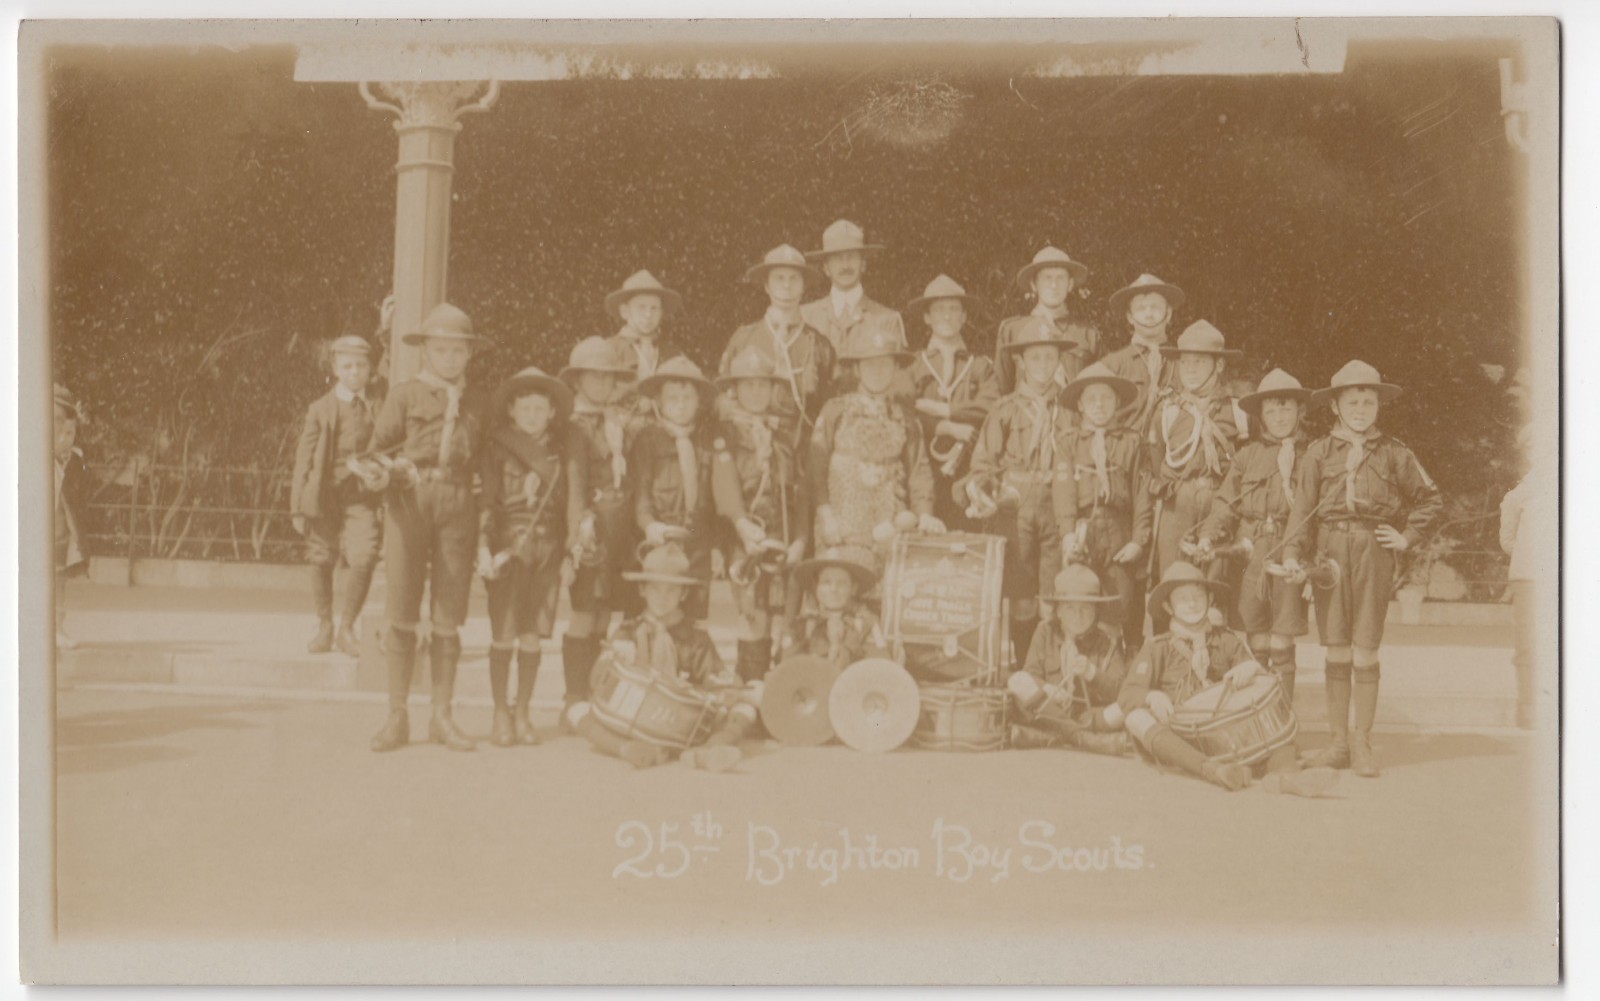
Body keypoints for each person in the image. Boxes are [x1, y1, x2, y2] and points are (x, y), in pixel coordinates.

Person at [1282, 361, 1443, 777]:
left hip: (1373, 550)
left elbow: (1430, 499)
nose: (1360, 409)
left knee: (1366, 645)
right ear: (1335, 405)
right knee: (1337, 645)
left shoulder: (1394, 452)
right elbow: (1302, 511)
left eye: (1368, 402)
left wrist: (1406, 536)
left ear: (1379, 406)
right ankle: (1337, 742)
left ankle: (1362, 742)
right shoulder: (1318, 453)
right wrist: (1292, 555)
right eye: (1352, 402)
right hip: (1330, 552)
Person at [358, 303, 492, 753]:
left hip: (457, 504)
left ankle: (442, 716)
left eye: (458, 351)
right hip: (409, 503)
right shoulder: (405, 395)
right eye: (441, 350)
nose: (450, 359)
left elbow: (486, 460)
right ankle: (396, 716)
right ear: (425, 352)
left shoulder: (478, 402)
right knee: (401, 610)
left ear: (469, 354)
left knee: (448, 614)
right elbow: (375, 450)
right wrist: (386, 471)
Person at [1106, 563, 1338, 796]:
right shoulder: (1157, 648)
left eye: (1198, 597)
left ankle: (1286, 777)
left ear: (1209, 599)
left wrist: (1251, 668)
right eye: (1182, 599)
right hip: (1182, 738)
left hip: (1227, 736)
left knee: (1274, 728)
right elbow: (1127, 695)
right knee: (1135, 717)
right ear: (1168, 606)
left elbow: (1258, 682)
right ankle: (1211, 770)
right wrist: (1151, 696)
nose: (1192, 604)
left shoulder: (1226, 640)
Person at [569, 544, 758, 771]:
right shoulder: (628, 631)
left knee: (745, 710)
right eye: (655, 589)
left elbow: (716, 680)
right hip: (634, 721)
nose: (662, 598)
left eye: (671, 591)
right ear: (643, 590)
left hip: (681, 724)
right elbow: (596, 682)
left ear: (683, 594)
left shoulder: (695, 636)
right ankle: (627, 749)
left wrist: (722, 686)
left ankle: (706, 750)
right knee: (577, 709)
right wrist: (613, 660)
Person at [958, 317, 1077, 668]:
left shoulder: (1071, 410)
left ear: (1059, 360)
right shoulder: (1005, 409)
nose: (1043, 365)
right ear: (1021, 361)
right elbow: (983, 463)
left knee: (1052, 596)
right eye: (1035, 357)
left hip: (1057, 505)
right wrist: (982, 490)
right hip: (1016, 507)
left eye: (1050, 357)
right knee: (1022, 596)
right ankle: (1020, 669)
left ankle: (1048, 670)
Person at [1193, 368, 1314, 705]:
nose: (1279, 417)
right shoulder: (1247, 455)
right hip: (1251, 554)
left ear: (1300, 411)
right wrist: (1207, 537)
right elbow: (1225, 503)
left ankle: (1284, 711)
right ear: (1260, 414)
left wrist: (1307, 557)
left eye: (1286, 409)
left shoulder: (1312, 455)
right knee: (1257, 637)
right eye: (1271, 411)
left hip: (1291, 549)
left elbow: (1315, 513)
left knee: (1282, 640)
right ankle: (1260, 711)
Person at [477, 366, 574, 748]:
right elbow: (487, 502)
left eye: (540, 409)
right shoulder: (497, 448)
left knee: (532, 636)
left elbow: (568, 507)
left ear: (552, 413)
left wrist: (568, 554)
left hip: (547, 550)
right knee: (504, 634)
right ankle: (500, 713)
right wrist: (483, 546)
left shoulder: (561, 453)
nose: (532, 416)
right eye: (525, 409)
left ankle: (522, 713)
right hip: (509, 545)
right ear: (512, 411)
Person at [713, 347, 811, 682]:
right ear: (735, 389)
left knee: (785, 617)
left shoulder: (785, 435)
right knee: (752, 613)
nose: (756, 392)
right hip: (745, 538)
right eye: (748, 385)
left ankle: (778, 690)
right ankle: (751, 685)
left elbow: (800, 492)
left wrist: (800, 540)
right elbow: (724, 484)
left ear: (773, 390)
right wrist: (742, 526)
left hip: (783, 540)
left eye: (762, 385)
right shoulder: (725, 434)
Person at [810, 315, 944, 556]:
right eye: (870, 364)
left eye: (885, 364)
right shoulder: (835, 411)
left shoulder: (905, 419)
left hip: (889, 529)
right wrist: (825, 515)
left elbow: (919, 471)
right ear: (857, 369)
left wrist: (924, 514)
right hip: (840, 527)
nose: (878, 371)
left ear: (895, 368)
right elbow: (815, 468)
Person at [559, 335, 643, 717]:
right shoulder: (575, 426)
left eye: (608, 377)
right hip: (592, 527)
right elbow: (575, 483)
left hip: (621, 527)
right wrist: (579, 534)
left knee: (606, 612)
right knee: (584, 612)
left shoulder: (617, 422)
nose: (601, 384)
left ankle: (595, 696)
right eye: (593, 377)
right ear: (577, 380)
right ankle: (573, 700)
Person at [1145, 320, 1245, 632]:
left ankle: (1215, 651)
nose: (1189, 369)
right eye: (1185, 362)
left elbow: (1245, 464)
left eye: (1199, 362)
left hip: (1219, 501)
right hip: (1177, 502)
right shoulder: (1166, 409)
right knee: (1173, 578)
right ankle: (1168, 653)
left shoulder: (1237, 410)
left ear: (1219, 365)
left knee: (1216, 580)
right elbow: (1154, 460)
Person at [290, 334, 386, 657]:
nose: (354, 372)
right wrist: (297, 506)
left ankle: (347, 627)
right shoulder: (320, 409)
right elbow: (304, 459)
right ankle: (324, 626)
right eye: (347, 366)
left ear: (370, 368)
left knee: (364, 555)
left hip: (361, 496)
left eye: (361, 365)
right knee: (320, 558)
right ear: (335, 368)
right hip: (325, 496)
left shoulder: (378, 403)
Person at [1056, 361, 1152, 652]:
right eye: (1091, 398)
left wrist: (1137, 540)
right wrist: (1068, 535)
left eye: (1106, 398)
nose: (1099, 405)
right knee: (1079, 602)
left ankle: (1117, 668)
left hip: (1119, 532)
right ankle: (1080, 668)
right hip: (1083, 530)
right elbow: (1063, 492)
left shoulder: (1131, 442)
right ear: (1080, 404)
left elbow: (1142, 495)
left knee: (1118, 603)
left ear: (1117, 402)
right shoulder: (1069, 442)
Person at [906, 274, 1000, 533]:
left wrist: (944, 409)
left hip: (967, 474)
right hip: (921, 472)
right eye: (939, 309)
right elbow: (904, 410)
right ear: (927, 317)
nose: (947, 316)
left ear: (964, 317)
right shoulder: (913, 365)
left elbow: (991, 405)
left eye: (954, 309)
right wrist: (944, 428)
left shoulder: (980, 366)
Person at [720, 244, 837, 453]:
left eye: (794, 279)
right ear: (767, 285)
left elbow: (831, 406)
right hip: (753, 449)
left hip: (806, 449)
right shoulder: (744, 339)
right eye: (779, 278)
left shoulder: (819, 345)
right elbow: (725, 401)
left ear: (804, 285)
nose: (787, 286)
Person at [630, 355, 720, 621]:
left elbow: (716, 498)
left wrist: (717, 546)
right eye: (672, 398)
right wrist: (649, 525)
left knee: (694, 617)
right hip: (660, 539)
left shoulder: (707, 440)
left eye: (687, 398)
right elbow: (641, 491)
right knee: (659, 609)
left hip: (697, 540)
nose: (680, 405)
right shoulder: (648, 439)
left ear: (699, 401)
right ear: (659, 401)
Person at [1007, 565, 1131, 756]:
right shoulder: (1045, 632)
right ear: (1058, 611)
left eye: (1086, 608)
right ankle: (1081, 738)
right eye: (1070, 608)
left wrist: (1092, 673)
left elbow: (1119, 691)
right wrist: (1047, 688)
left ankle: (1053, 736)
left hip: (1087, 716)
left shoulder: (1106, 641)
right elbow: (1031, 674)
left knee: (1127, 707)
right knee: (1017, 680)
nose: (1078, 616)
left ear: (1096, 611)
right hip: (1047, 709)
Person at [800, 219, 910, 398]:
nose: (845, 265)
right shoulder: (805, 316)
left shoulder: (886, 319)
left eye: (851, 256)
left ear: (863, 264)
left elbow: (898, 383)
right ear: (826, 267)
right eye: (837, 258)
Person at [1499, 423, 1554, 731]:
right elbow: (1508, 541)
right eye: (1534, 448)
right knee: (1528, 643)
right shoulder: (1518, 496)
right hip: (1529, 579)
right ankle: (1528, 706)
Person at [993, 246, 1099, 395]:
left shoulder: (1087, 333)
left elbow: (1098, 389)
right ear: (1034, 284)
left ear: (1070, 284)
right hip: (1024, 409)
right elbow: (999, 390)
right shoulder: (1012, 330)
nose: (1054, 285)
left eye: (1060, 278)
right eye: (1047, 278)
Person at [1099, 273, 1185, 434]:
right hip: (1126, 447)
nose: (1148, 314)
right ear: (1130, 317)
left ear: (1168, 314)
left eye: (1155, 307)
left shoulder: (1184, 363)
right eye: (1141, 308)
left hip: (1174, 448)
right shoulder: (1112, 365)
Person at [780, 545, 890, 671]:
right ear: (816, 587)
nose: (833, 589)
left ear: (853, 588)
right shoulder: (802, 626)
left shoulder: (865, 624)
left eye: (841, 583)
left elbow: (881, 666)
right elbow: (787, 670)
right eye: (826, 582)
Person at [603, 270, 682, 418]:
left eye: (654, 308)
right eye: (641, 307)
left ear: (662, 312)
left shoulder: (671, 353)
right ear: (625, 311)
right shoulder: (609, 349)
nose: (648, 315)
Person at [54, 383, 91, 650]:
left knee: (58, 582)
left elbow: (78, 495)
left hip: (60, 531)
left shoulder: (73, 460)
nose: (65, 438)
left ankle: (56, 628)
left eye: (70, 433)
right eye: (61, 431)